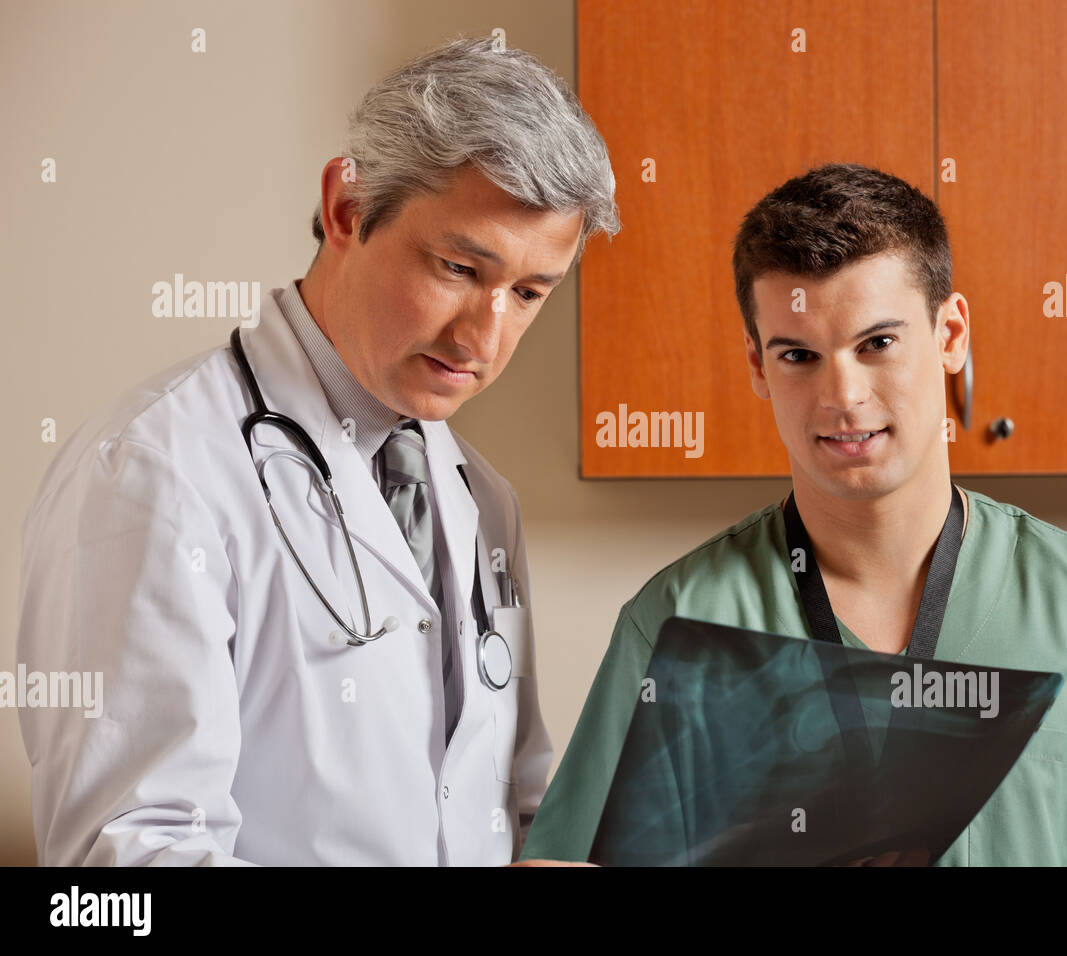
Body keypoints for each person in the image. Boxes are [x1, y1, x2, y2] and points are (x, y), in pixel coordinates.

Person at [520, 163, 1067, 866]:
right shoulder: (676, 624)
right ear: (757, 367)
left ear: (951, 335)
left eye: (877, 343)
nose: (842, 396)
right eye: (798, 356)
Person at [17, 36, 619, 866]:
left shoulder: (481, 499)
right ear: (347, 208)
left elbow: (506, 798)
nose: (486, 335)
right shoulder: (155, 470)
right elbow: (121, 869)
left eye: (528, 293)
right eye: (456, 266)